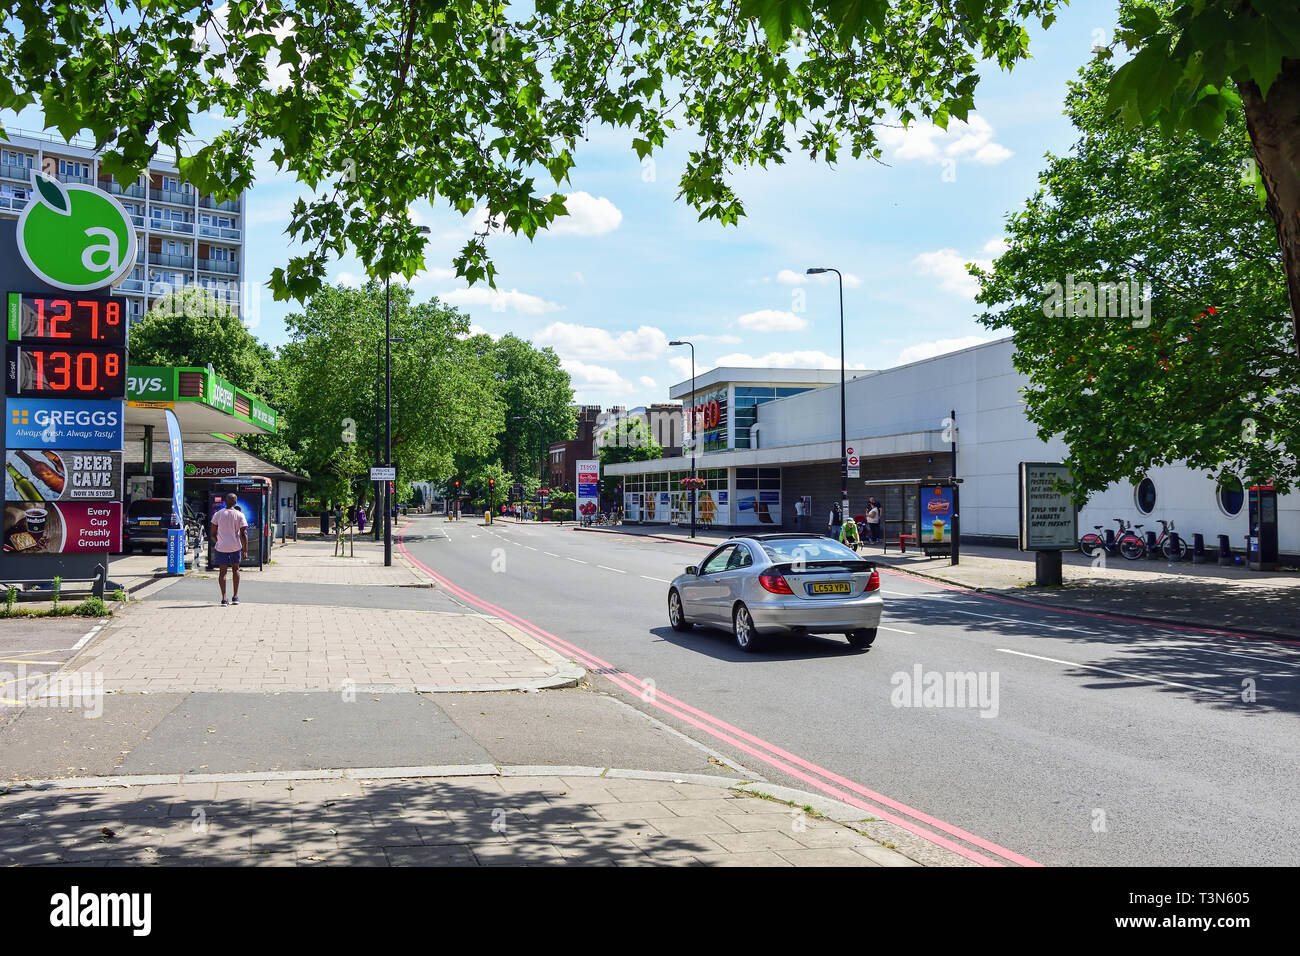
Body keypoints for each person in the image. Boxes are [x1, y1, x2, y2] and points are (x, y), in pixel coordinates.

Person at [210, 493, 249, 606]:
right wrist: (245, 550)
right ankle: (235, 597)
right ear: (235, 502)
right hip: (235, 546)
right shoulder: (239, 515)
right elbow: (243, 533)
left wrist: (219, 542)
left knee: (222, 572)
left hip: (221, 547)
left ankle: (224, 598)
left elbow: (212, 533)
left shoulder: (218, 514)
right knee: (235, 570)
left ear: (225, 501)